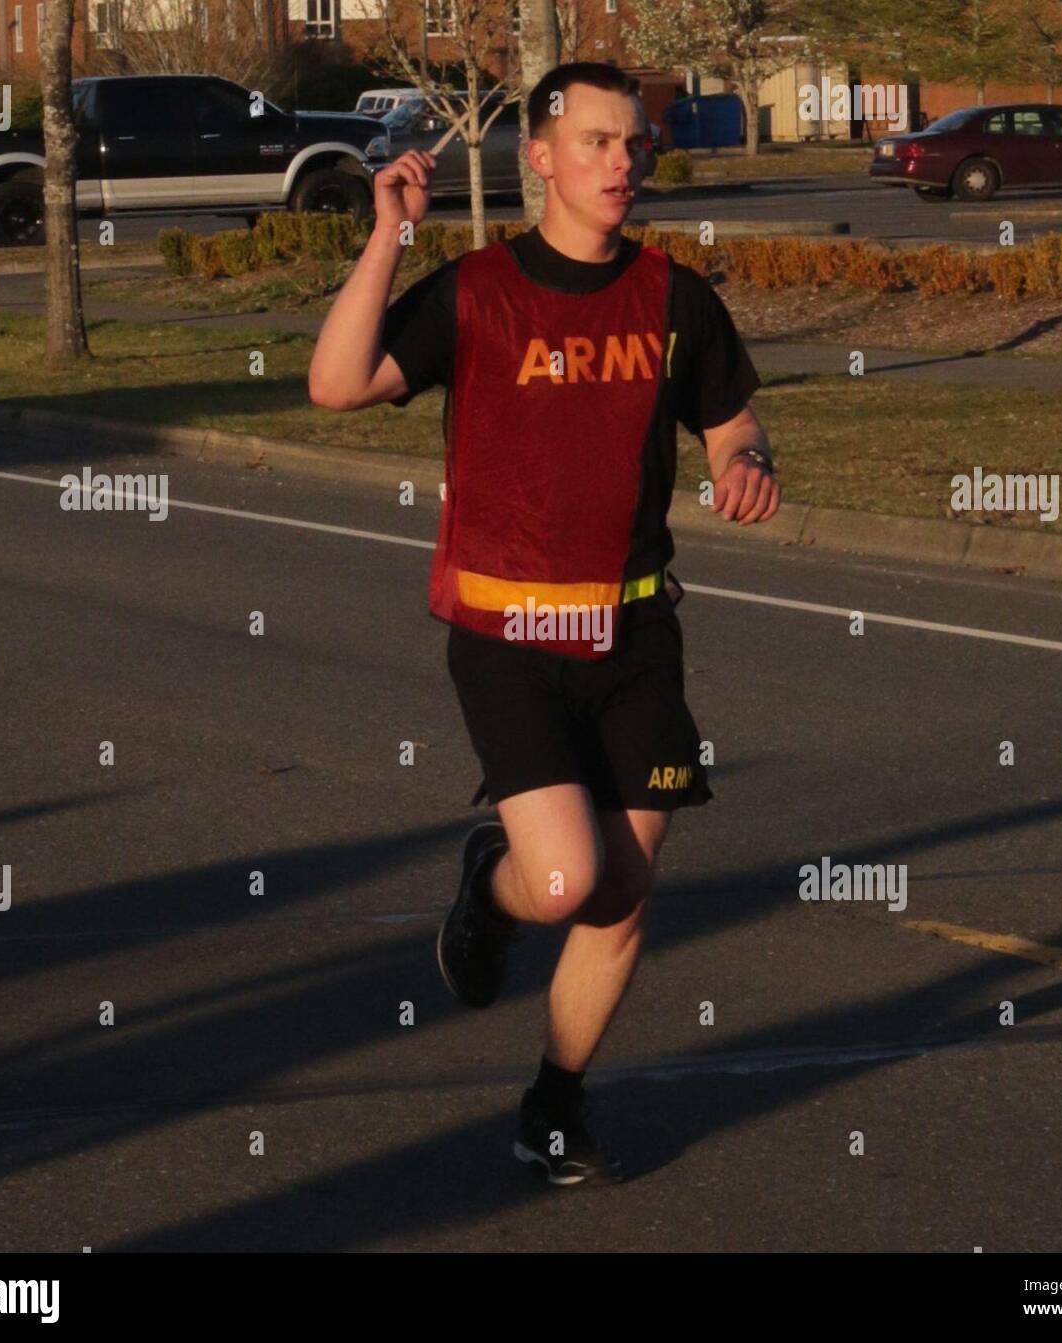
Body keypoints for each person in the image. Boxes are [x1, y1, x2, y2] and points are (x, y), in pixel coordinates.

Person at [308, 61, 779, 1186]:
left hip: (632, 634)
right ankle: (494, 880)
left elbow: (729, 421)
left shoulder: (676, 299)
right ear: (544, 158)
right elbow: (335, 383)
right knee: (564, 881)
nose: (624, 162)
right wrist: (386, 239)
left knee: (622, 892)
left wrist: (746, 462)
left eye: (636, 145)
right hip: (506, 634)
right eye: (601, 142)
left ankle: (554, 1102)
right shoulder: (477, 292)